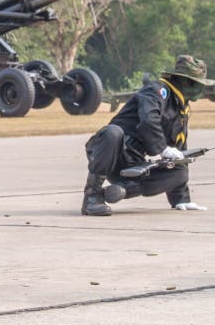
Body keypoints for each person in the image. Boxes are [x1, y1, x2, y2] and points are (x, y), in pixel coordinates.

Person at [81, 54, 213, 216]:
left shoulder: (180, 107)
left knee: (179, 172)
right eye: (198, 84)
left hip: (133, 165)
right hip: (110, 153)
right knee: (113, 132)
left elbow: (178, 149)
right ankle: (92, 197)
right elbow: (148, 120)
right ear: (186, 82)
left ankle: (119, 191)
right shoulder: (156, 91)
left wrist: (181, 198)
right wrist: (163, 149)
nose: (202, 89)